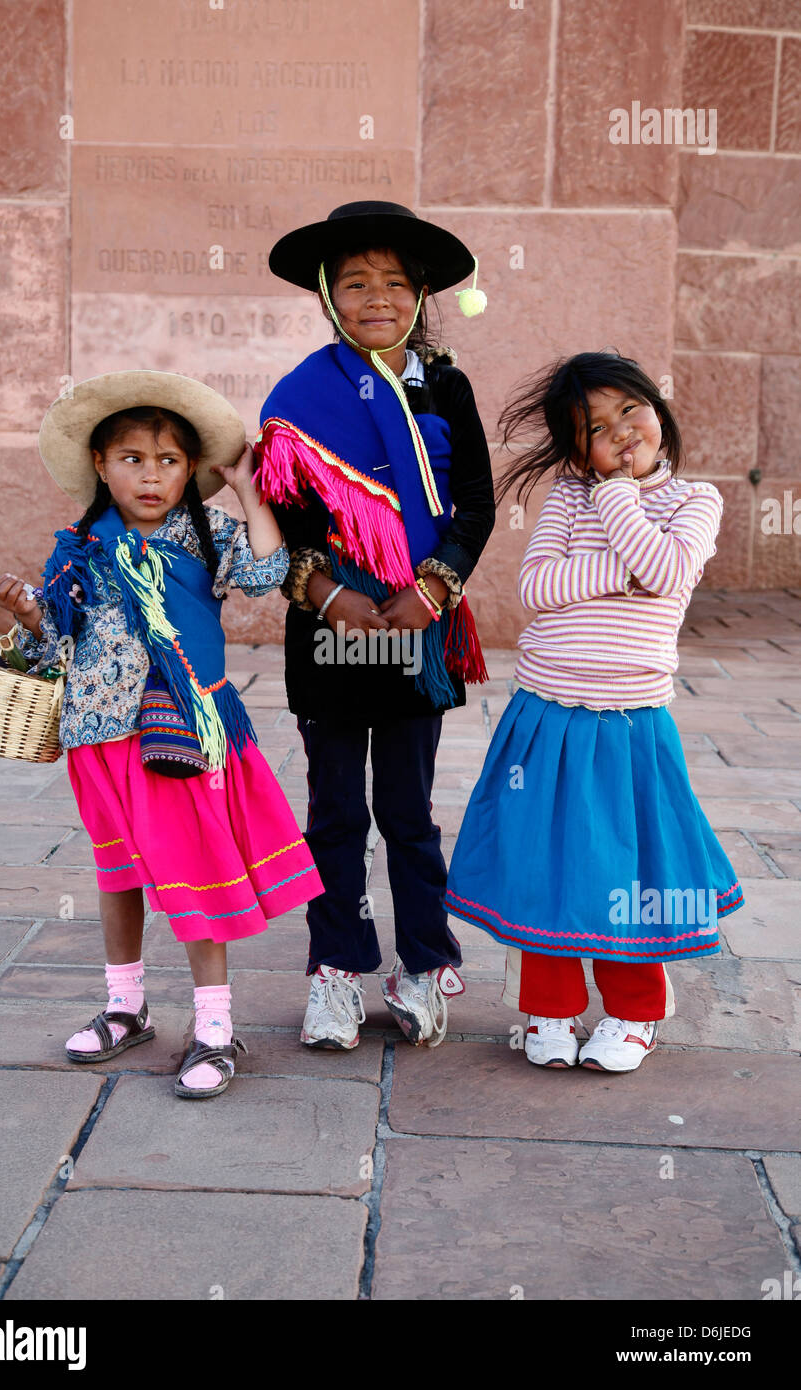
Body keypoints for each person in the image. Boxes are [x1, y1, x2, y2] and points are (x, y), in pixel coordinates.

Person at [0, 371, 323, 1099]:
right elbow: (57, 642)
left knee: (195, 873)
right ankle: (126, 1005)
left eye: (168, 460)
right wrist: (29, 616)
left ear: (190, 471)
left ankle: (213, 1028)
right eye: (132, 459)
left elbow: (268, 571)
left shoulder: (204, 535)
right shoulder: (80, 545)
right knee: (118, 874)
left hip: (178, 732)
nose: (150, 475)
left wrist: (246, 489)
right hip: (98, 734)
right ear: (101, 467)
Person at [444, 350, 744, 1072]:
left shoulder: (696, 501)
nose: (619, 432)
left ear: (658, 411)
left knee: (625, 867)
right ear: (575, 446)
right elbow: (536, 590)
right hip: (545, 713)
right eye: (595, 427)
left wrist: (618, 500)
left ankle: (635, 1013)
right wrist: (628, 567)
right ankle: (548, 1008)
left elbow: (670, 570)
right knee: (546, 860)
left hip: (629, 723)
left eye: (629, 412)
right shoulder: (565, 497)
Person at [254, 200, 495, 1050]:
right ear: (328, 295)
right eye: (355, 282)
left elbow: (475, 506)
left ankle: (424, 962)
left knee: (407, 807)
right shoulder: (300, 397)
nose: (377, 297)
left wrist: (433, 591)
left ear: (422, 293)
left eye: (395, 282)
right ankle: (335, 971)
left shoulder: (450, 387)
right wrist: (324, 595)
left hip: (415, 623)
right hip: (329, 628)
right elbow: (279, 516)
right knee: (332, 812)